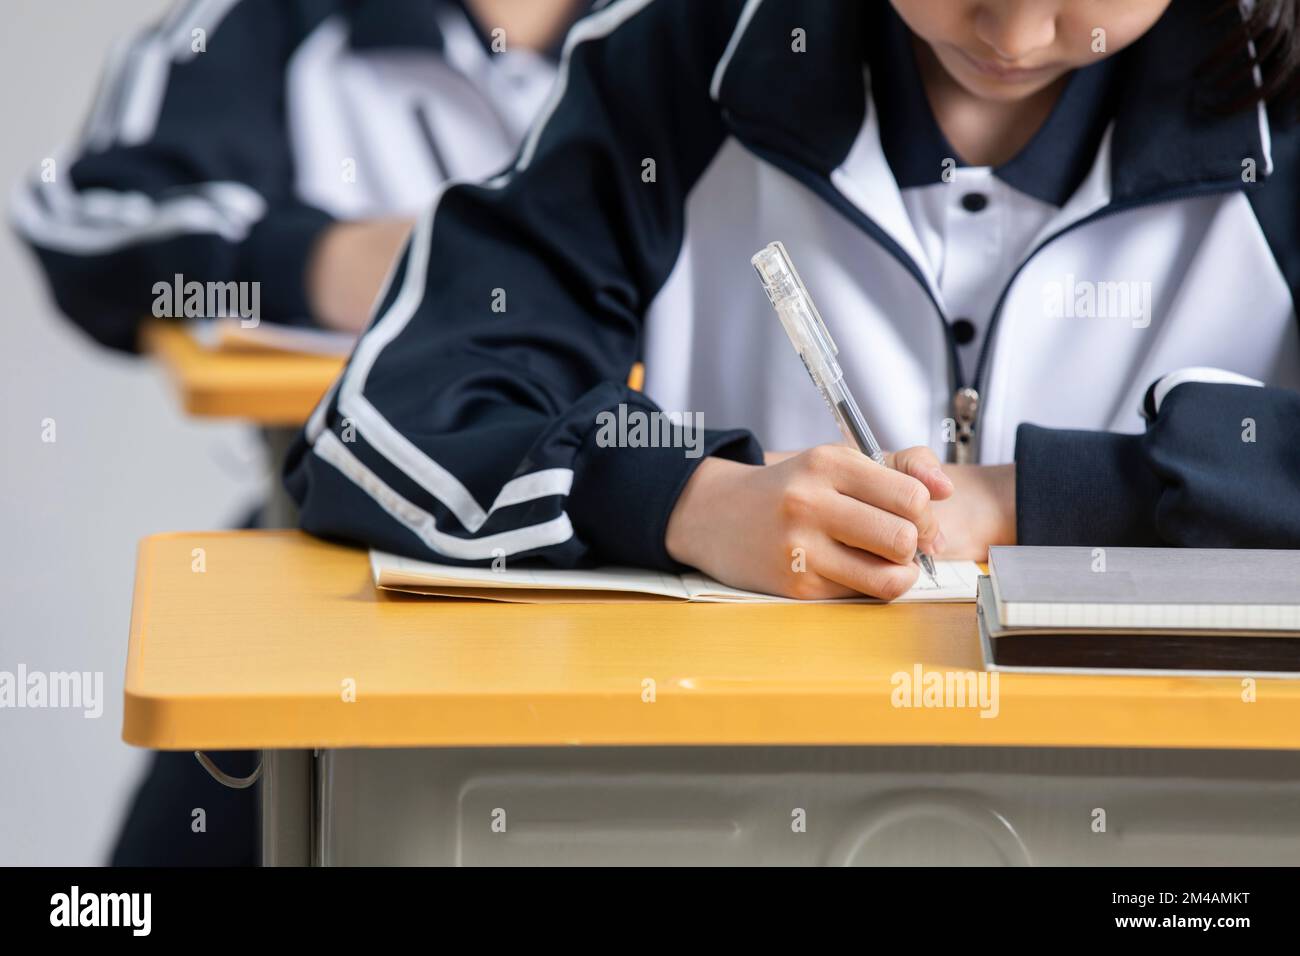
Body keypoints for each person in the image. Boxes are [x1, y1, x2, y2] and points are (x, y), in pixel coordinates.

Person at [286, 0, 1300, 597]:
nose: (1018, 28)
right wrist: (684, 498)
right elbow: (384, 421)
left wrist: (1049, 501)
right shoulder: (684, 52)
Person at [12, 0, 590, 865]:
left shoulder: (712, 36)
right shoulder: (272, 24)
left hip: (670, 563)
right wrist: (320, 261)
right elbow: (84, 217)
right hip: (348, 535)